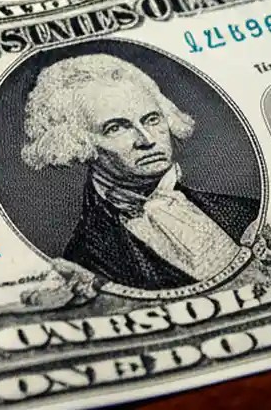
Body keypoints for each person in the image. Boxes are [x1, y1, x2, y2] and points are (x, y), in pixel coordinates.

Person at [21, 53, 258, 291]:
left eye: (152, 119)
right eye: (115, 128)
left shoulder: (244, 212)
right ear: (77, 142)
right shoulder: (86, 260)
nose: (147, 140)